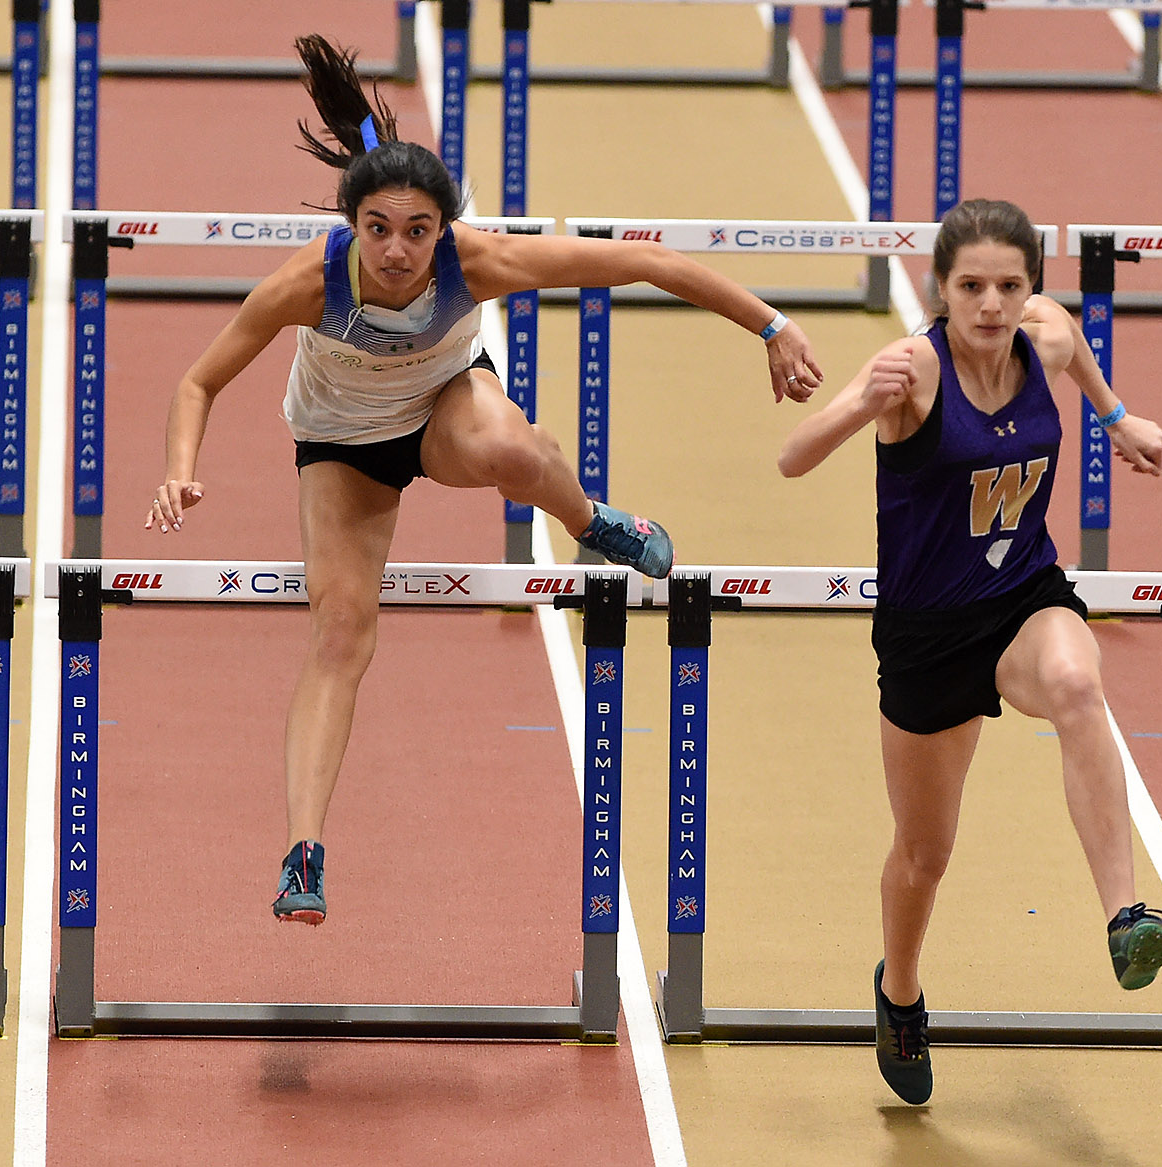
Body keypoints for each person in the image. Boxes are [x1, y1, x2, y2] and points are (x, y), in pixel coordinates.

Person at [147, 34, 822, 927]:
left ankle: (590, 519)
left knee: (513, 447)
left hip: (443, 411)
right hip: (343, 449)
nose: (397, 252)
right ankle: (303, 853)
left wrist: (771, 324)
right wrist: (179, 472)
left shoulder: (480, 260)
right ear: (354, 226)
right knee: (341, 631)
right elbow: (198, 380)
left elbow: (646, 261)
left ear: (443, 228)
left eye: (418, 232)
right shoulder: (306, 286)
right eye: (380, 231)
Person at [778, 198, 1162, 1105]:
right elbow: (794, 458)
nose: (992, 305)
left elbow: (1088, 376)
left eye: (1009, 285)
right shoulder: (912, 368)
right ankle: (901, 990)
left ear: (1031, 287)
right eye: (971, 287)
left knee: (1078, 681)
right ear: (941, 290)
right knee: (925, 852)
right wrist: (860, 407)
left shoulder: (1052, 338)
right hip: (927, 630)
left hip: (1022, 594)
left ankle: (1124, 914)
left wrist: (1121, 425)